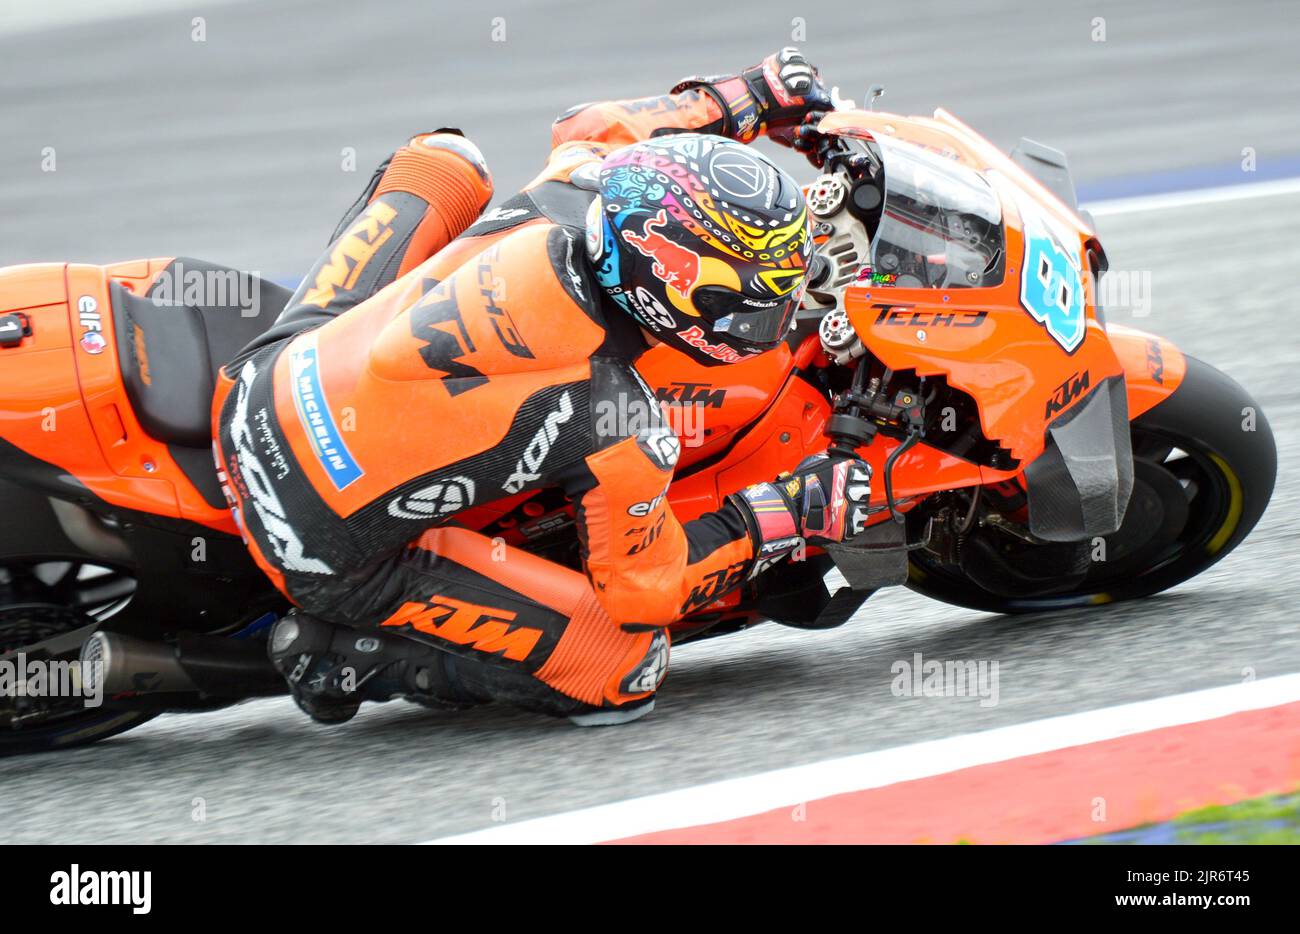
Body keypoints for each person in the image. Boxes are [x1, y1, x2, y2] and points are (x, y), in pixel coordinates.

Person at [211, 47, 872, 726]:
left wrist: (749, 93)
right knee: (627, 664)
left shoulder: (580, 181)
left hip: (261, 376)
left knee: (445, 159)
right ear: (673, 290)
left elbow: (597, 123)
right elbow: (649, 589)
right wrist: (791, 512)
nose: (782, 314)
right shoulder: (621, 422)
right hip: (318, 547)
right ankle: (350, 656)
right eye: (759, 305)